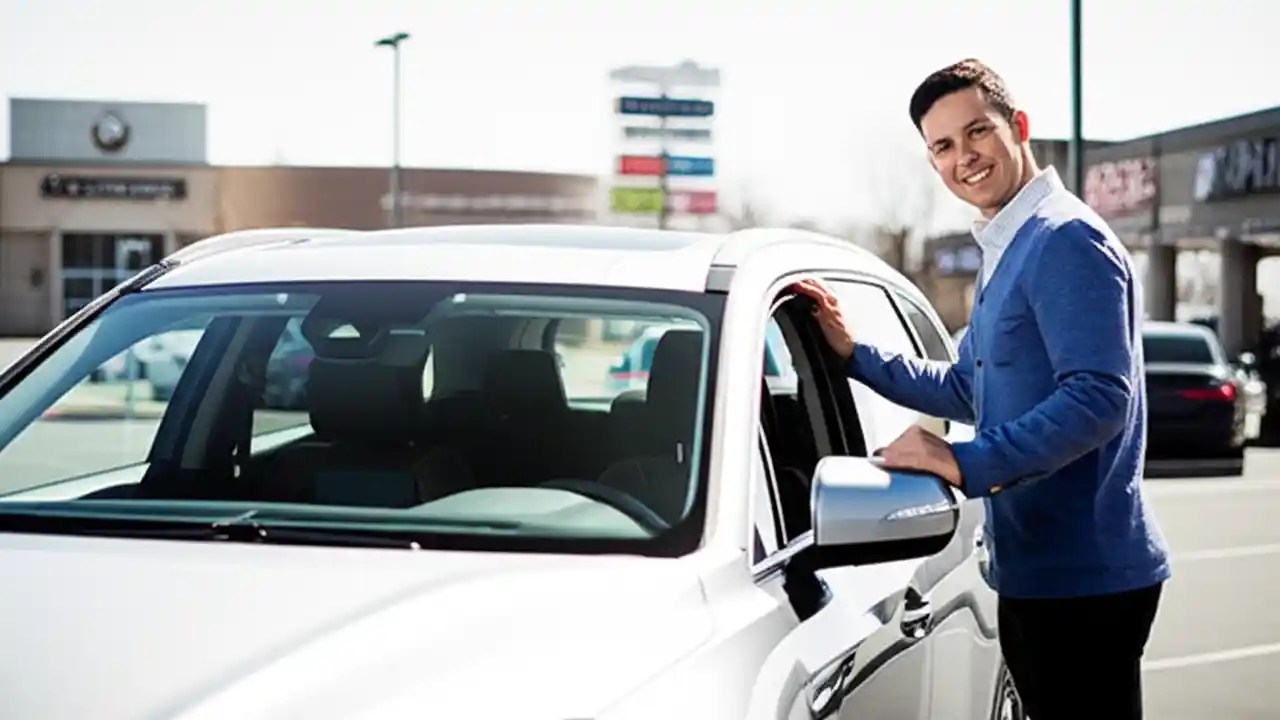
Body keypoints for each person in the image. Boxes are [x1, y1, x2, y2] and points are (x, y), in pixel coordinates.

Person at [792, 58, 1170, 720]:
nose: (963, 157)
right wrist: (852, 355)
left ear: (1018, 127)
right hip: (1038, 572)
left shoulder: (1065, 238)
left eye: (977, 133)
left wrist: (963, 462)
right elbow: (972, 386)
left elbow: (1101, 398)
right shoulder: (1012, 242)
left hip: (1082, 581)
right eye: (943, 146)